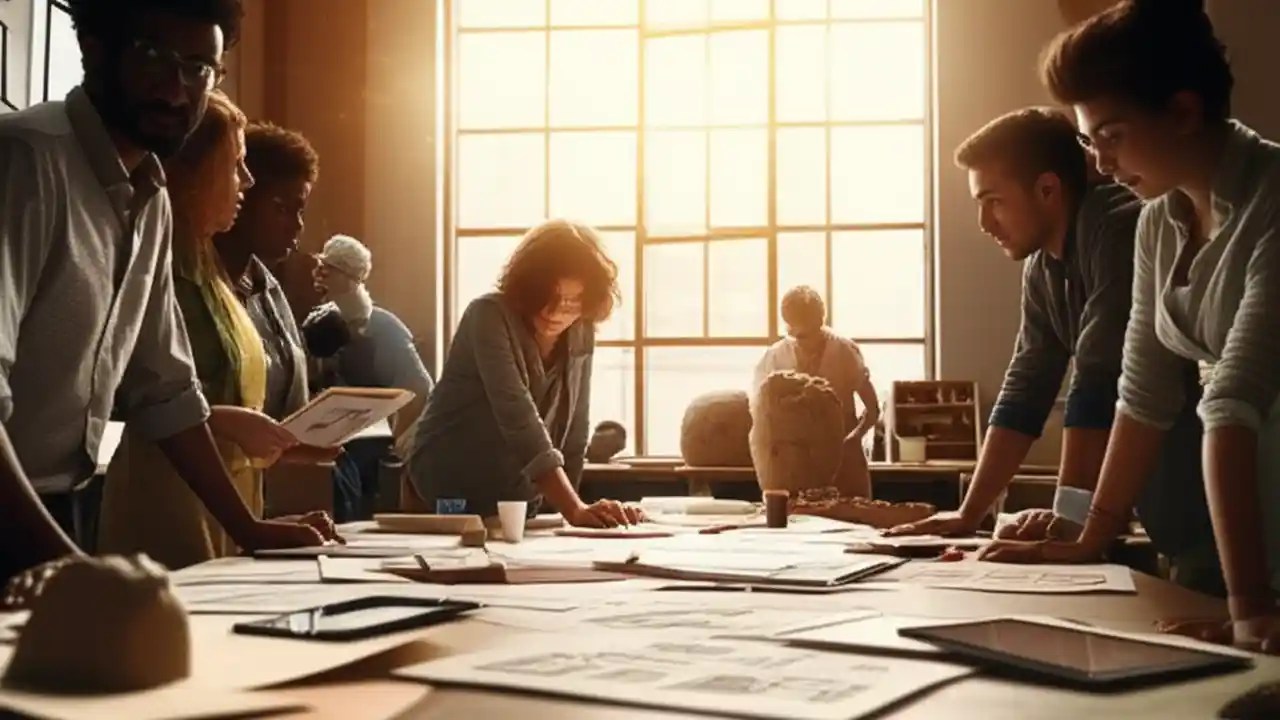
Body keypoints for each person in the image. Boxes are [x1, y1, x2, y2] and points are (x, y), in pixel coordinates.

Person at [979, 0, 1280, 653]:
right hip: (1233, 543)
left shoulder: (1272, 200)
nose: (1102, 163)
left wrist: (1250, 606)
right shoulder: (1156, 224)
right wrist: (1088, 536)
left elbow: (1232, 401)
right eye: (1090, 142)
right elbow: (1141, 394)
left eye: (1112, 136)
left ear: (1183, 112)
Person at [0, 0, 326, 587]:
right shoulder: (25, 160)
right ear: (95, 49)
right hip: (16, 507)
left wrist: (249, 529)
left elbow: (166, 390)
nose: (178, 90)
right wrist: (69, 569)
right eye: (154, 57)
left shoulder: (150, 200)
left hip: (56, 505)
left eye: (200, 67)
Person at [888, 107, 1220, 592]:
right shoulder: (1042, 269)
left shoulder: (1119, 226)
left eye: (993, 202)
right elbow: (1026, 389)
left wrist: (1070, 521)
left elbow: (1099, 378)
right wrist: (968, 514)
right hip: (1173, 513)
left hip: (1224, 491)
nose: (984, 222)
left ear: (1047, 189)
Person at [98, 91, 338, 569]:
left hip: (229, 499)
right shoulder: (160, 261)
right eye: (235, 166)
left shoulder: (219, 275)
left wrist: (278, 457)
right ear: (195, 173)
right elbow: (136, 391)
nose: (245, 181)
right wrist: (226, 423)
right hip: (167, 500)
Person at [404, 219, 642, 527]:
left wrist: (571, 512)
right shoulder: (488, 315)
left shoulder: (580, 331)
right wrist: (573, 509)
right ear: (528, 287)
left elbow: (574, 428)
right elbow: (518, 417)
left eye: (572, 301)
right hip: (450, 480)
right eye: (549, 297)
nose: (557, 312)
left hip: (519, 491)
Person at [299, 234, 435, 521]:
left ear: (350, 278)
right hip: (323, 443)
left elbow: (419, 387)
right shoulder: (315, 322)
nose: (319, 275)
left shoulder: (384, 329)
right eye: (320, 267)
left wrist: (399, 444)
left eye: (329, 269)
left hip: (368, 448)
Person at [213, 121, 318, 423]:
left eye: (301, 211)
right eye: (282, 208)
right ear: (241, 194)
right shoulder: (191, 283)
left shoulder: (267, 289)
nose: (297, 225)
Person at [751, 286, 879, 498]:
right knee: (798, 512)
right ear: (789, 328)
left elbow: (873, 409)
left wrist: (855, 438)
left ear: (821, 321)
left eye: (812, 333)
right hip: (794, 461)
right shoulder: (775, 358)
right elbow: (758, 412)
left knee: (850, 513)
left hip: (843, 455)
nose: (806, 342)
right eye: (799, 336)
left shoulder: (844, 352)